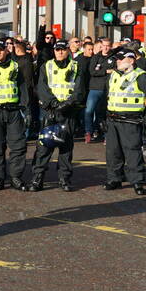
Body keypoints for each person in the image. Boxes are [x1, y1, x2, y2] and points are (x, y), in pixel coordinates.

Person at [104, 48, 146, 195]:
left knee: (132, 152)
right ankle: (114, 179)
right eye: (117, 58)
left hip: (130, 121)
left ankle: (137, 181)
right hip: (113, 119)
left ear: (131, 60)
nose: (117, 61)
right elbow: (107, 97)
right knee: (113, 152)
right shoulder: (114, 76)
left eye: (121, 58)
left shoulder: (140, 76)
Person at [30, 40, 84, 192]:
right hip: (51, 111)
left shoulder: (76, 66)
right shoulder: (46, 66)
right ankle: (38, 178)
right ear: (54, 51)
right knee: (44, 146)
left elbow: (79, 89)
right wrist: (54, 104)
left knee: (66, 148)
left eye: (63, 49)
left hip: (68, 112)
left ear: (68, 50)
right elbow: (41, 88)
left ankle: (64, 179)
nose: (60, 52)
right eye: (57, 49)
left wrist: (67, 104)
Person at [0, 38, 29, 190]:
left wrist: (26, 110)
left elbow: (22, 89)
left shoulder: (15, 66)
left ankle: (15, 177)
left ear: (7, 50)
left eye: (2, 49)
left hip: (13, 111)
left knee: (18, 146)